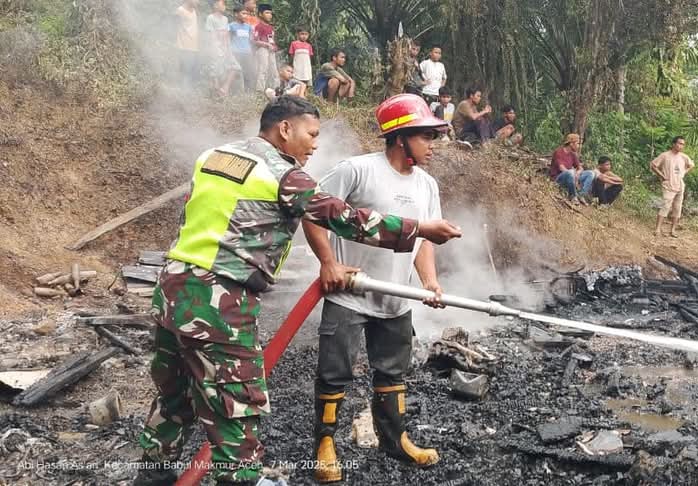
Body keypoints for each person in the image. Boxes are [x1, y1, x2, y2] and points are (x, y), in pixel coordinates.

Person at [131, 96, 463, 486]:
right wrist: (420, 229)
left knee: (174, 398)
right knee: (239, 407)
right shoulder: (284, 175)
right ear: (284, 129)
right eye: (311, 133)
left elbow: (190, 215)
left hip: (172, 288)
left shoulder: (214, 156)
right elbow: (349, 220)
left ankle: (151, 477)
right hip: (219, 302)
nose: (315, 144)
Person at [304, 94, 453, 482]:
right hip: (349, 293)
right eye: (425, 137)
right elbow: (313, 213)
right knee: (334, 373)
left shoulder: (427, 185)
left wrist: (429, 282)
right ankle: (325, 444)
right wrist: (328, 262)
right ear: (400, 137)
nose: (432, 145)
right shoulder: (356, 171)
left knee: (392, 372)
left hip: (396, 297)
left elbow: (423, 242)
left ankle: (394, 439)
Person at [650, 136, 695, 238]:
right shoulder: (665, 155)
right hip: (668, 185)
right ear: (673, 144)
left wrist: (684, 172)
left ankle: (673, 230)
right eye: (679, 143)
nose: (681, 146)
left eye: (683, 144)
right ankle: (657, 229)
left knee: (677, 208)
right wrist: (662, 176)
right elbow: (653, 165)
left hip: (679, 184)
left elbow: (691, 165)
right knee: (665, 206)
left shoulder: (683, 157)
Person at [204, 0, 240, 97]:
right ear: (215, 5)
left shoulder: (225, 19)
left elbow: (226, 35)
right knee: (215, 71)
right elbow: (211, 35)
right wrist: (214, 48)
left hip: (225, 48)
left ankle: (225, 88)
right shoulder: (210, 18)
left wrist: (228, 48)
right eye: (222, 3)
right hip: (216, 47)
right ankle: (216, 93)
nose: (225, 5)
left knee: (235, 67)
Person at [549, 133, 593, 204]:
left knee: (590, 173)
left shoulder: (573, 154)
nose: (579, 146)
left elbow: (580, 168)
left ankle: (581, 195)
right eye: (578, 143)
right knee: (570, 172)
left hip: (571, 177)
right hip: (559, 178)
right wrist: (573, 174)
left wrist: (577, 173)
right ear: (571, 144)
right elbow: (561, 168)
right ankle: (573, 196)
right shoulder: (559, 152)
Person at [228, 6, 256, 91]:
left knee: (248, 73)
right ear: (236, 14)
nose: (246, 16)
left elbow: (251, 40)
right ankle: (235, 91)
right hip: (236, 52)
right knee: (236, 73)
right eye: (243, 13)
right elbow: (228, 39)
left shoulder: (248, 27)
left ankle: (248, 92)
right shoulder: (231, 26)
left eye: (247, 14)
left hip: (247, 53)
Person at [252, 4, 277, 92]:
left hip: (271, 51)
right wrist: (266, 44)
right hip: (262, 50)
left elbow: (272, 40)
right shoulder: (258, 26)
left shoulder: (271, 27)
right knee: (263, 70)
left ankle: (275, 90)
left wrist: (274, 46)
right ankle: (260, 91)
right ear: (260, 14)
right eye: (267, 13)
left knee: (274, 71)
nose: (269, 15)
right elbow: (255, 41)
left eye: (270, 13)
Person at [175, 0, 199, 88]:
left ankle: (187, 94)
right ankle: (183, 94)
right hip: (184, 46)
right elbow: (174, 27)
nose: (198, 2)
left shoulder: (194, 11)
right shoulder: (180, 10)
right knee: (185, 72)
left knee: (191, 73)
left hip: (194, 47)